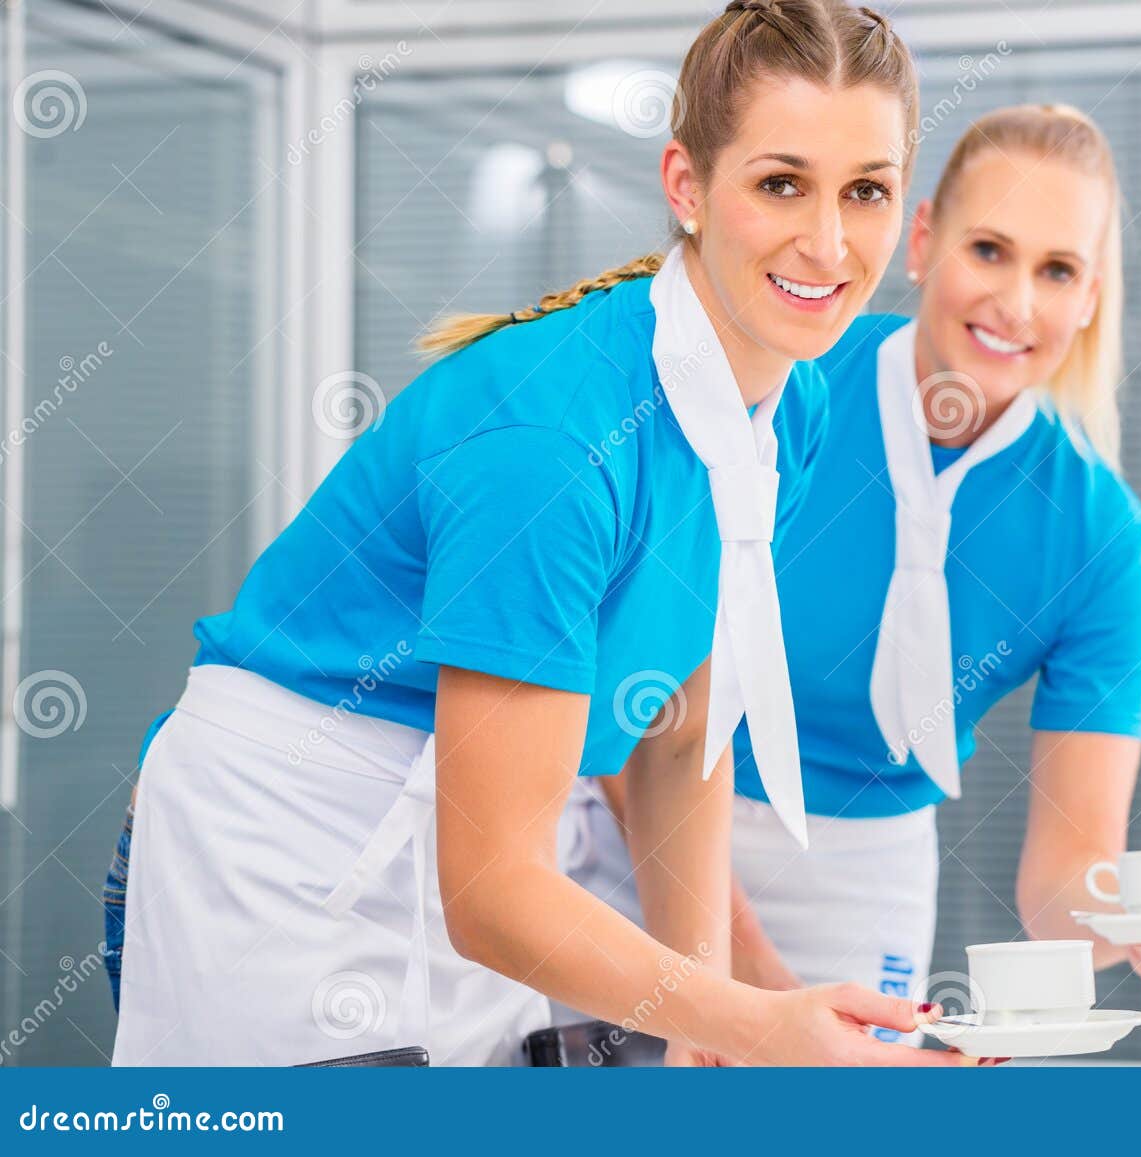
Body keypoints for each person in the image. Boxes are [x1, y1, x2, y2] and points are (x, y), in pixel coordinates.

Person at [107, 0, 961, 1067]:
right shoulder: (557, 442)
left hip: (466, 842)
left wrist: (705, 1022)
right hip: (286, 850)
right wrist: (747, 1020)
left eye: (866, 190)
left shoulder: (787, 406)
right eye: (780, 182)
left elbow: (678, 727)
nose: (828, 241)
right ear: (687, 187)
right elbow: (490, 888)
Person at [562, 105, 1141, 1043]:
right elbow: (634, 711)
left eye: (1058, 271)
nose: (1016, 304)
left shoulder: (1100, 538)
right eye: (989, 250)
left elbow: (1061, 881)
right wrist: (756, 995)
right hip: (649, 833)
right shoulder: (781, 387)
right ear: (922, 241)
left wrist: (1135, 922)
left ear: (1091, 298)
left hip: (868, 876)